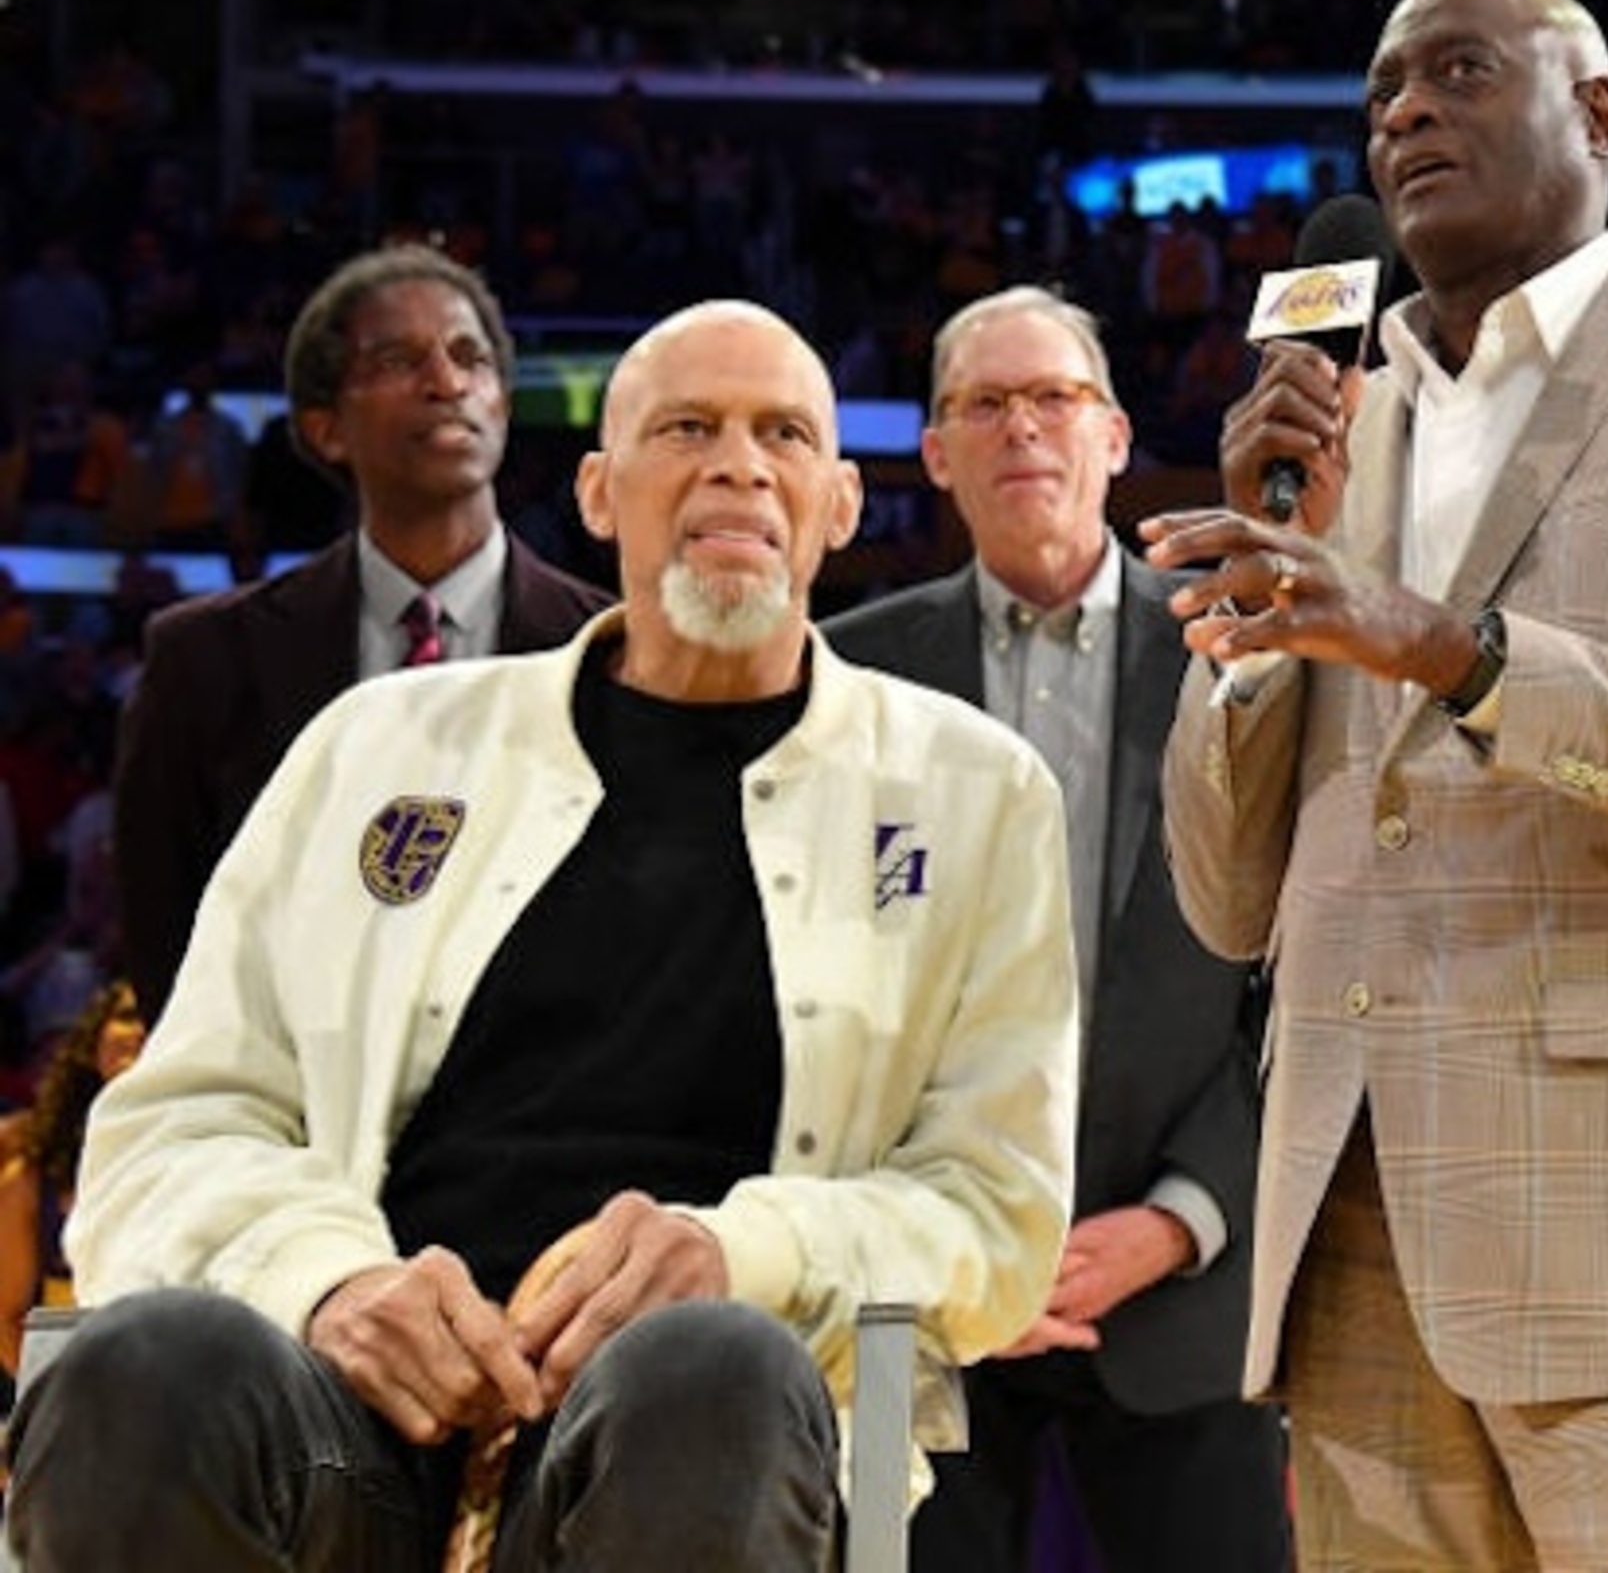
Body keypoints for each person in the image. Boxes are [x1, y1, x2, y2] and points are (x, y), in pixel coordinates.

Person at [3, 298, 1083, 1571]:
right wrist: (330, 1280)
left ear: (841, 506)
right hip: (349, 1414)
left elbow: (994, 1210)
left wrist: (744, 1251)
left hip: (695, 1423)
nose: (738, 462)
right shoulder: (383, 746)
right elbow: (170, 1127)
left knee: (711, 1363)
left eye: (783, 433)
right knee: (144, 1361)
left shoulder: (974, 792)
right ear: (597, 489)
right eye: (686, 426)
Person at [1140, 0, 1608, 1570]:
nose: (1404, 111)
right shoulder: (1341, 422)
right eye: (1382, 96)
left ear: (1599, 117)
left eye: (1459, 73)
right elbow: (1222, 899)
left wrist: (1448, 648)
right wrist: (1271, 595)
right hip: (1353, 1234)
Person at [824, 285, 1290, 1573]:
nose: (1020, 427)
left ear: (1114, 435)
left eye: (1053, 398)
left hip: (1181, 1278)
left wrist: (1180, 1217)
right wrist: (942, 1236)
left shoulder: (1245, 666)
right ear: (933, 454)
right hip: (905, 1294)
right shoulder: (841, 683)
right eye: (983, 404)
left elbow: (1300, 994)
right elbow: (810, 998)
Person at [110, 243, 611, 1022]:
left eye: (469, 358)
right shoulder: (201, 661)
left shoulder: (614, 653)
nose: (447, 383)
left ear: (503, 407)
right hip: (285, 1124)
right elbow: (168, 950)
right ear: (326, 428)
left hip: (539, 1122)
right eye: (398, 359)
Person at [0, 977, 145, 1382]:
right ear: (91, 1042)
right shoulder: (34, 1175)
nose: (139, 1031)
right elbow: (6, 1317)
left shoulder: (200, 1152)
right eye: (126, 1016)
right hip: (71, 1380)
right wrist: (49, 1400)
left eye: (151, 1019)